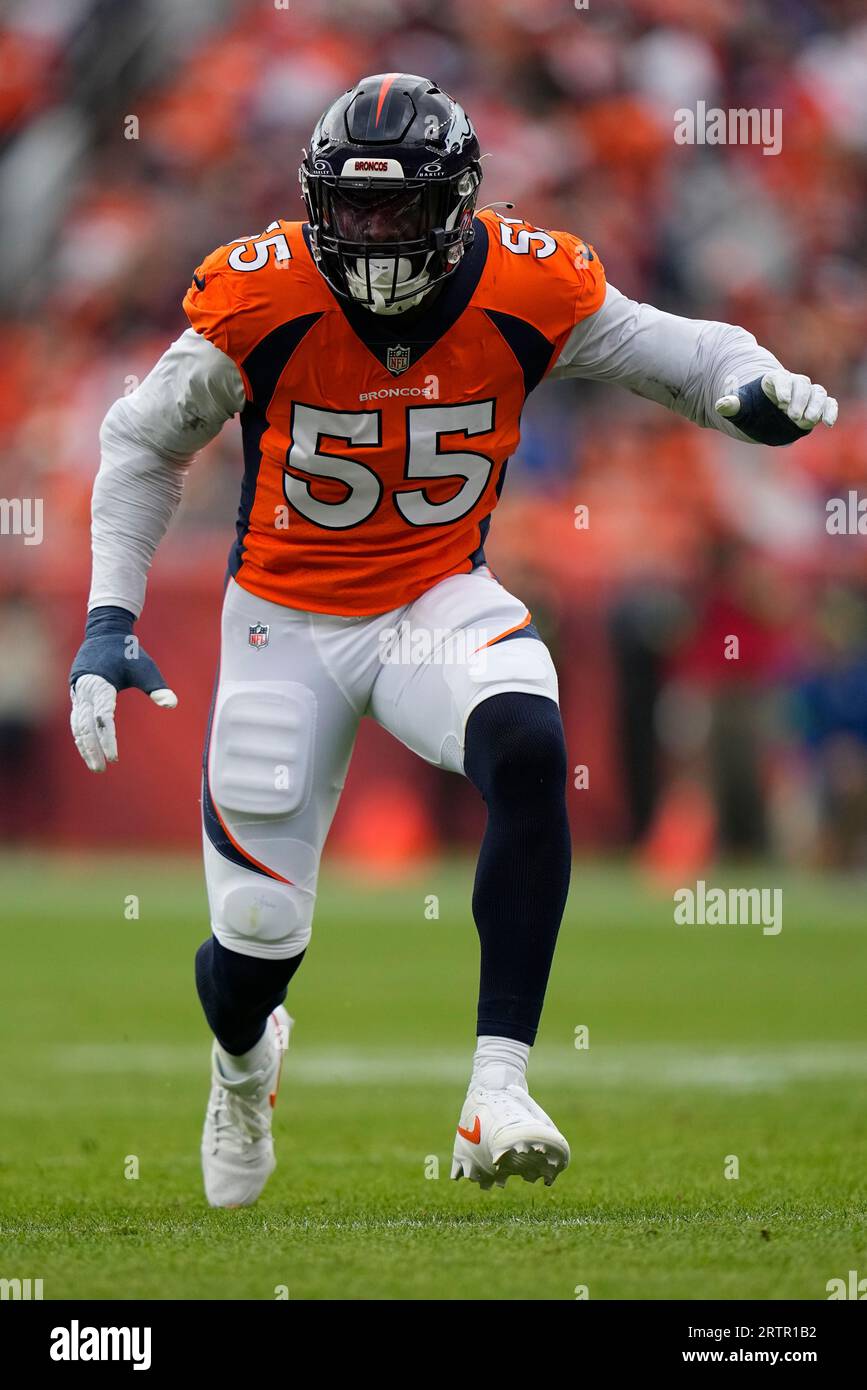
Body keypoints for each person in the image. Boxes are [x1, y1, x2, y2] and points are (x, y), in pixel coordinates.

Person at [69, 74, 837, 1206]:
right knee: (255, 950)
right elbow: (140, 447)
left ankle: (499, 1088)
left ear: (460, 205)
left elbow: (677, 351)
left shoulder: (528, 281)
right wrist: (105, 624)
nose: (373, 235)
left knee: (528, 743)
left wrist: (746, 387)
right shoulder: (263, 294)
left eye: (400, 210)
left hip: (436, 598)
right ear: (317, 204)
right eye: (354, 209)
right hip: (285, 617)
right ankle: (242, 1066)